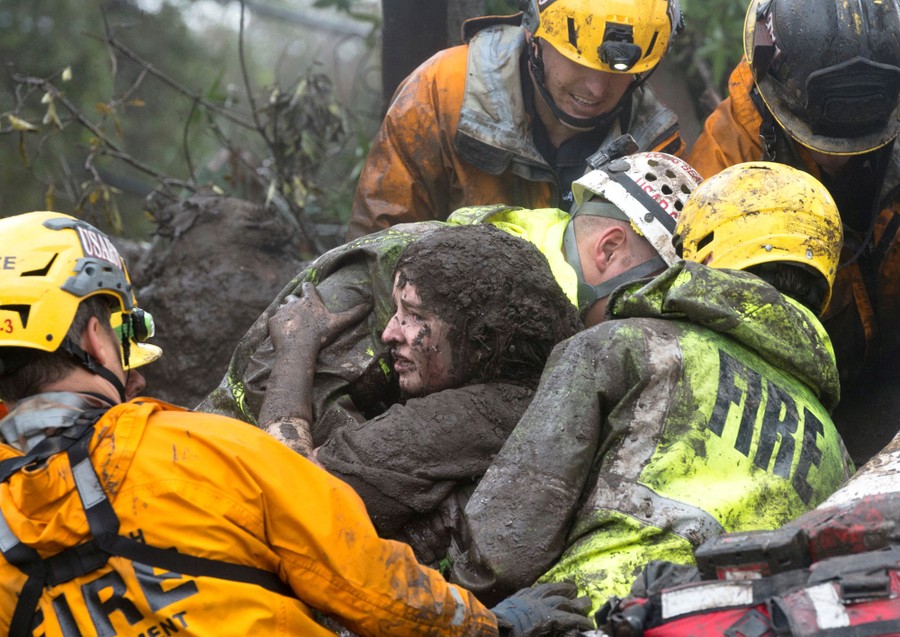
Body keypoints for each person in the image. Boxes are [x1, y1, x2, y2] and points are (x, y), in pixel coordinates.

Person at [0, 211, 592, 637]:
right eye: (127, 331)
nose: (389, 334)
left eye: (413, 317)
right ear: (100, 339)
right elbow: (368, 585)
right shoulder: (205, 448)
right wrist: (497, 627)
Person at [200, 150, 703, 564]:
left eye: (412, 315)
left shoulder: (520, 356)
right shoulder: (424, 270)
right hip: (221, 493)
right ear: (610, 247)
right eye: (650, 287)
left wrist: (301, 358)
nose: (649, 312)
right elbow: (284, 473)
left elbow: (303, 493)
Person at [450, 162, 854, 615]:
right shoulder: (839, 457)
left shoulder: (626, 345)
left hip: (595, 616)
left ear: (696, 255)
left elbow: (500, 549)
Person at [686, 0, 900, 458]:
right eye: (821, 142)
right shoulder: (727, 160)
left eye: (858, 143)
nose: (841, 156)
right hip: (804, 404)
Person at [346, 0, 687, 239]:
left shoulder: (655, 146)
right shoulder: (442, 91)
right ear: (533, 34)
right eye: (577, 61)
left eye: (615, 71)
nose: (596, 88)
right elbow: (377, 241)